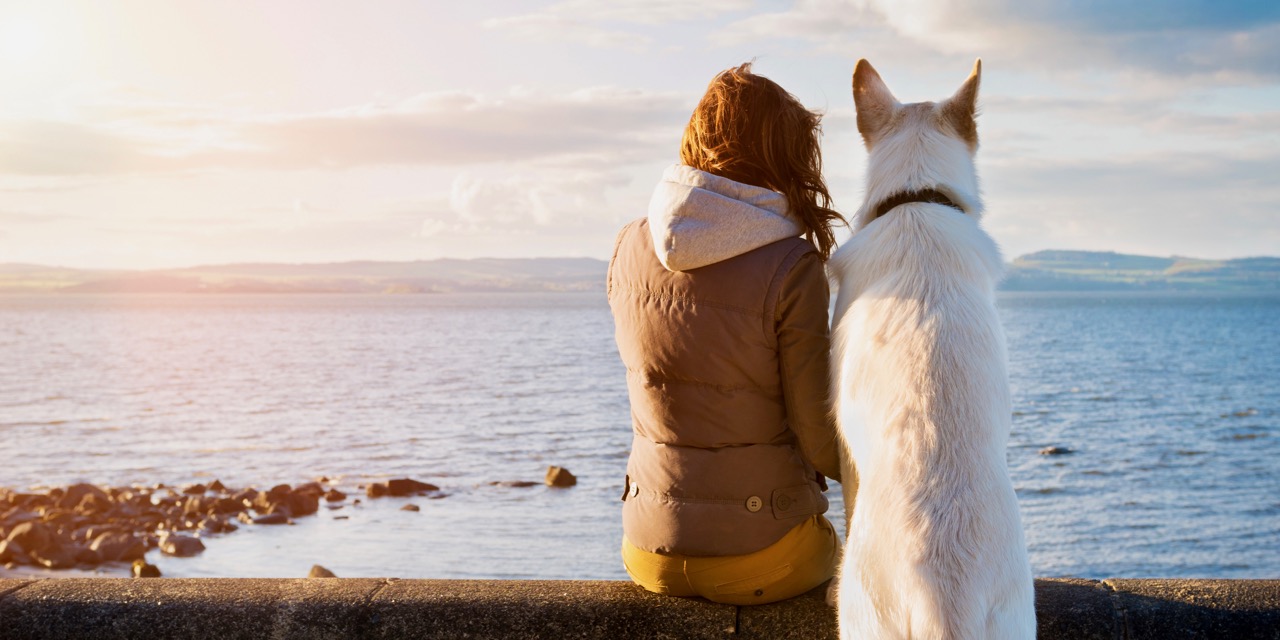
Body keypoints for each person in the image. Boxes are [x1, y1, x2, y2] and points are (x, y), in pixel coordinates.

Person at [607, 62, 852, 605]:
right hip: (763, 552)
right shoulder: (792, 264)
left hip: (647, 550)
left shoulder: (628, 245)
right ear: (783, 154)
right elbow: (817, 435)